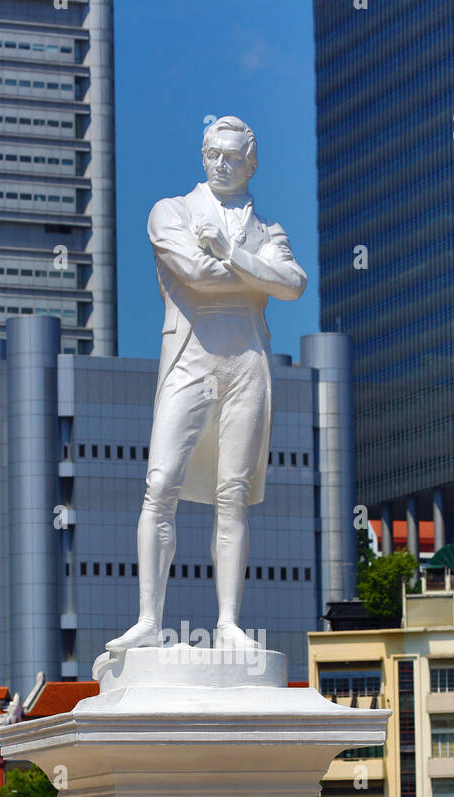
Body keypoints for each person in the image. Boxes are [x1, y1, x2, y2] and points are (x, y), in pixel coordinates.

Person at [107, 116, 307, 654]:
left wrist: (232, 253)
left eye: (233, 157)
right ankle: (149, 619)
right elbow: (194, 274)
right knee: (161, 482)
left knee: (233, 496)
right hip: (189, 358)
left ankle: (228, 624)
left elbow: (293, 284)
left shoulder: (270, 231)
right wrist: (252, 274)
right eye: (214, 154)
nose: (222, 164)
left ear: (251, 162)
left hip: (247, 364)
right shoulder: (169, 212)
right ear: (202, 154)